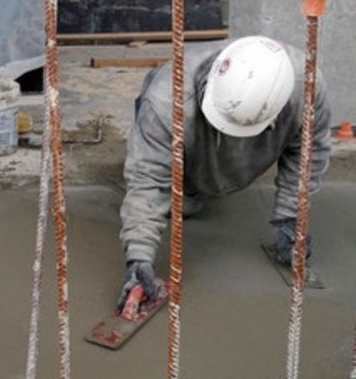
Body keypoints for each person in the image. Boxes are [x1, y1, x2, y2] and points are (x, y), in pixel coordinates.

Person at [117, 36, 330, 309]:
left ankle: (211, 180)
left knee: (218, 178)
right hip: (177, 122)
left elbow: (306, 155)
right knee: (179, 204)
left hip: (234, 129)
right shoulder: (166, 101)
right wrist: (139, 259)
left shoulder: (307, 86)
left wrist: (289, 217)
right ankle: (189, 185)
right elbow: (148, 180)